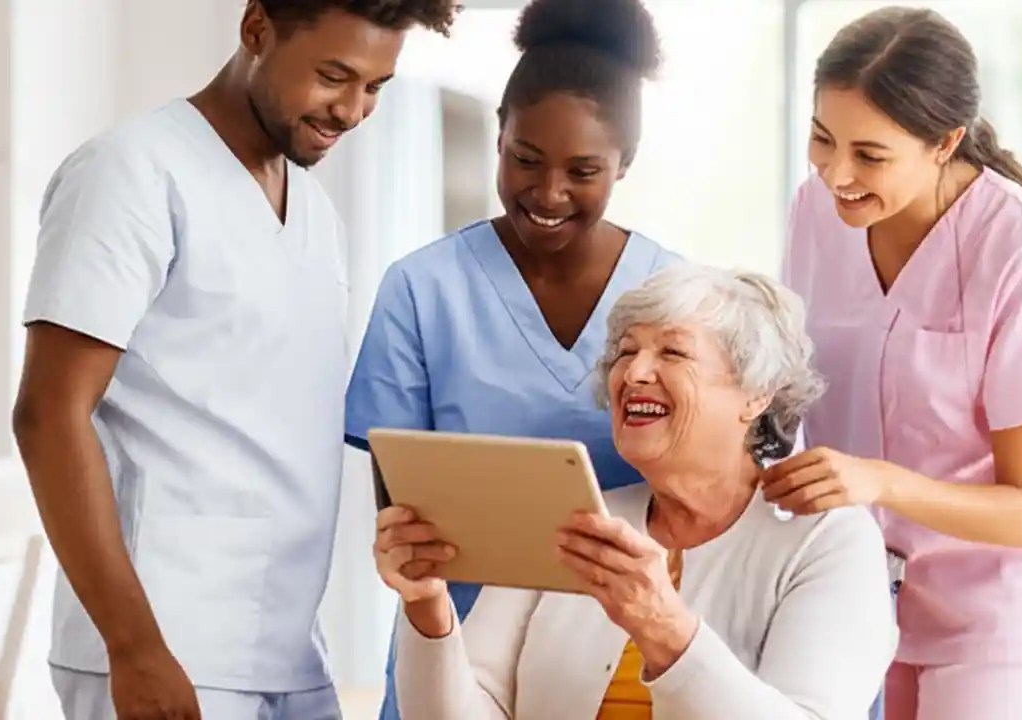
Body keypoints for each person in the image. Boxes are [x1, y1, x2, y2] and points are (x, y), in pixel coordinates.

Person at [11, 2, 458, 718]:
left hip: (290, 651)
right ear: (256, 29)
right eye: (333, 76)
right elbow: (48, 415)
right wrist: (134, 647)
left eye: (375, 87)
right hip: (165, 642)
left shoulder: (314, 212)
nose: (351, 111)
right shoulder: (131, 172)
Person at [343, 0, 680, 716]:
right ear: (498, 134)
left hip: (604, 663)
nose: (549, 193)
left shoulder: (676, 299)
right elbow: (400, 499)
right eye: (525, 159)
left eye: (583, 170)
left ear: (625, 164)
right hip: (449, 651)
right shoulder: (422, 288)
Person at [372, 264, 898, 719]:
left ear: (757, 394)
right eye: (625, 352)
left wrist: (663, 627)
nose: (634, 373)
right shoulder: (564, 515)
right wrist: (427, 604)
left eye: (673, 352)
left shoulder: (828, 540)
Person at [773, 7, 1022, 720]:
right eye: (822, 139)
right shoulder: (815, 211)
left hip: (996, 621)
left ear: (945, 142)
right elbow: (795, 380)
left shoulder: (1021, 250)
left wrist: (878, 480)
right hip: (851, 597)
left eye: (870, 155)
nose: (837, 173)